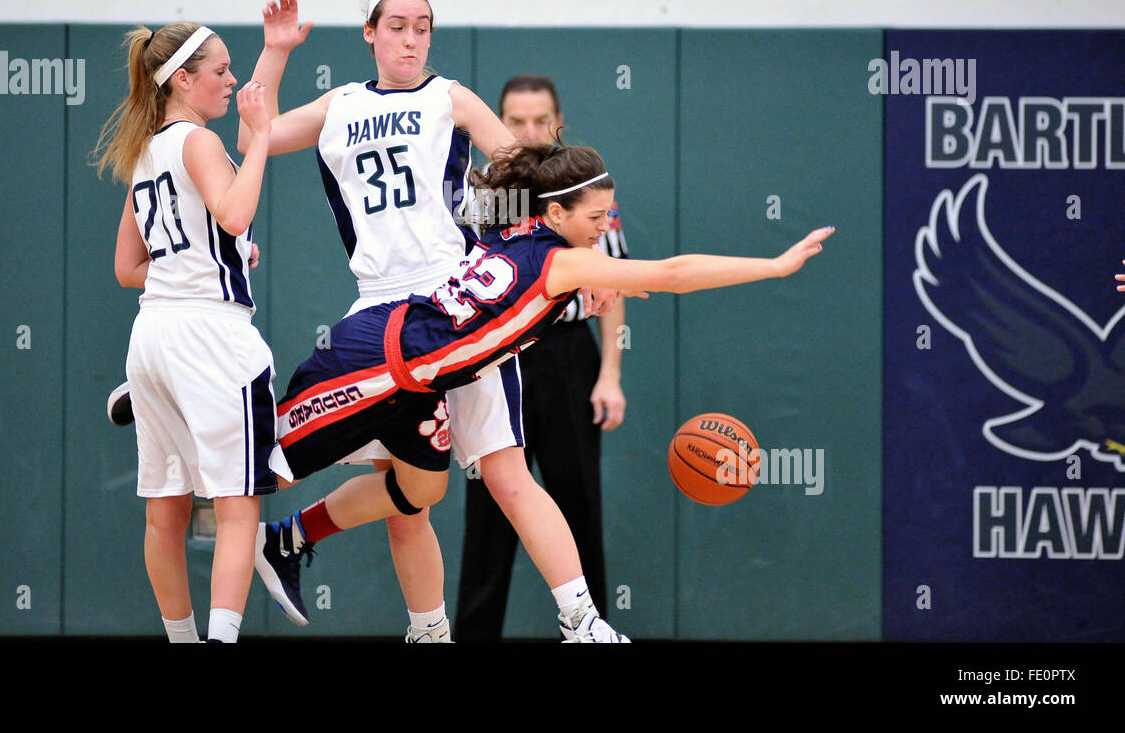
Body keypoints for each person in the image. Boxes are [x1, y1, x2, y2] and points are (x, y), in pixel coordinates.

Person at [257, 141, 834, 642]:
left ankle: (289, 537)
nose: (606, 227)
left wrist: (594, 288)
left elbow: (525, 291)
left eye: (610, 214)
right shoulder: (562, 260)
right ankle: (195, 532)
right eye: (597, 216)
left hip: (426, 380)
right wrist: (776, 266)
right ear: (556, 211)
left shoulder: (520, 229)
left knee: (418, 492)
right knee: (258, 475)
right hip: (376, 362)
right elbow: (672, 274)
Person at [244, 0, 625, 642]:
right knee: (406, 490)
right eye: (397, 26)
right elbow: (261, 133)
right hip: (380, 311)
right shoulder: (339, 105)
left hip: (456, 303)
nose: (412, 38)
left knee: (505, 472)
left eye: (423, 26)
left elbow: (525, 179)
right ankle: (428, 629)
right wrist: (276, 51)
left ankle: (583, 620)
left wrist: (578, 263)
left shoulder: (449, 97)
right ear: (370, 32)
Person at [94, 22, 286, 643]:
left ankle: (181, 639)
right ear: (183, 79)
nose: (231, 81)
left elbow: (128, 269)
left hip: (151, 337)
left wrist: (217, 254)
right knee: (239, 504)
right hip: (210, 336)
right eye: (221, 70)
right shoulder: (198, 142)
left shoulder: (143, 151)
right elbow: (233, 212)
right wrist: (258, 142)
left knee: (166, 508)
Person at [456, 74, 627, 641]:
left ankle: (590, 629)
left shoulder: (585, 187)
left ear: (559, 123)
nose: (528, 131)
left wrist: (609, 375)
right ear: (498, 123)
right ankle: (475, 634)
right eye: (515, 120)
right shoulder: (481, 194)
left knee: (578, 500)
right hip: (497, 355)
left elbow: (615, 287)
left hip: (569, 356)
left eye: (540, 120)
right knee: (489, 508)